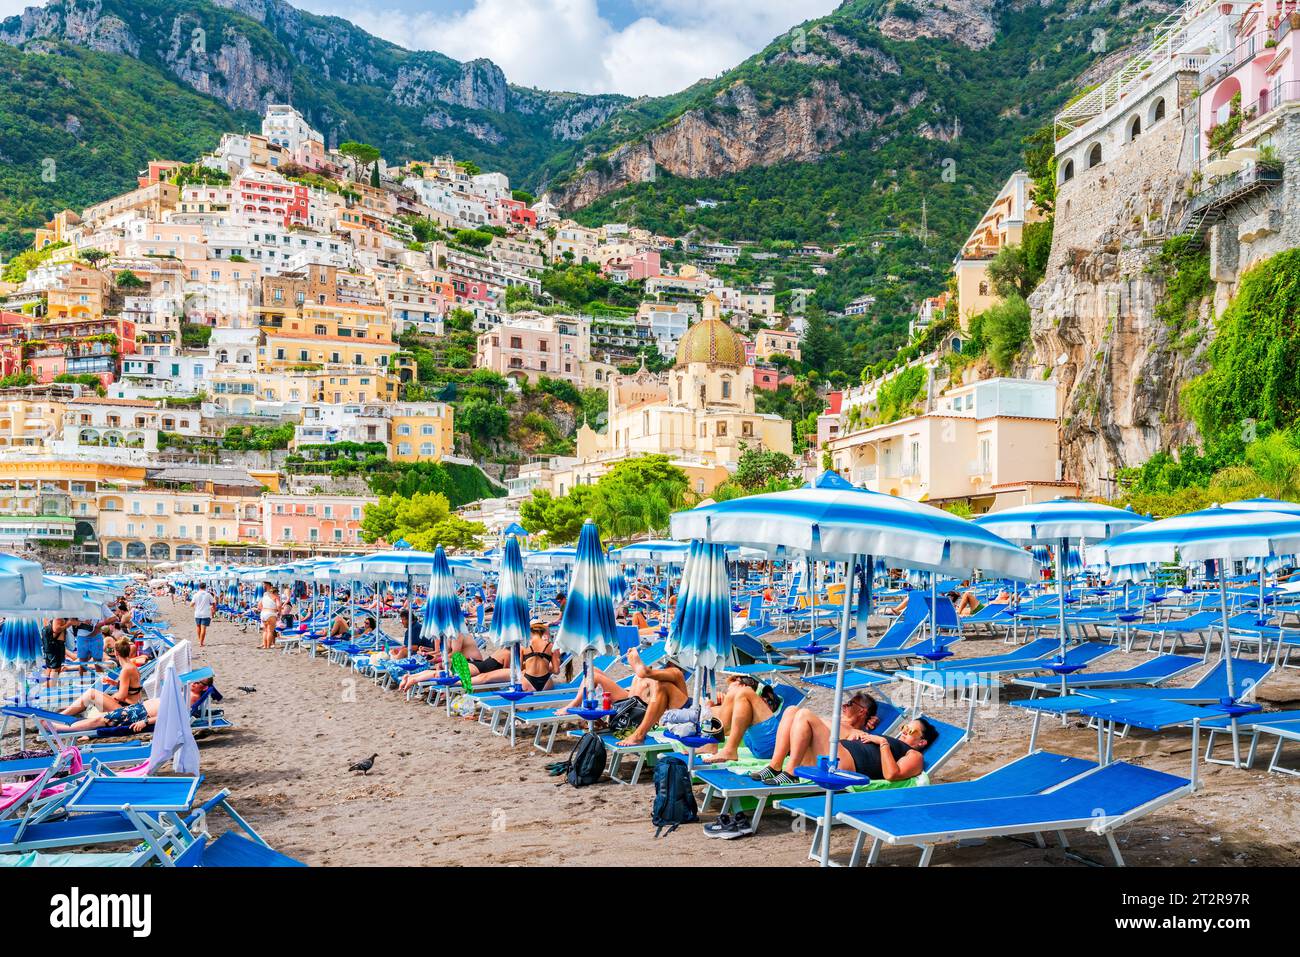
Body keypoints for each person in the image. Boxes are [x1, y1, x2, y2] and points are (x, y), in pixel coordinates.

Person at [750, 693, 881, 784]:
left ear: (862, 711)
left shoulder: (857, 732)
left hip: (824, 762)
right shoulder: (835, 721)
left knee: (804, 713)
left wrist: (863, 732)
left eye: (850, 703)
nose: (844, 706)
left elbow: (860, 748)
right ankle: (775, 767)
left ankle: (791, 773)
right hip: (806, 754)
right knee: (791, 709)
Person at [54, 678, 213, 734]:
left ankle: (56, 728)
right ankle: (59, 724)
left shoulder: (191, 698)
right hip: (139, 710)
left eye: (197, 682)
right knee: (101, 719)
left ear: (204, 688)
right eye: (194, 680)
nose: (193, 683)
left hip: (140, 716)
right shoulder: (187, 693)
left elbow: (173, 714)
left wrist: (146, 722)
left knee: (99, 721)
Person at [701, 676, 784, 764]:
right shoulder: (744, 716)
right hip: (758, 748)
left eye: (770, 702)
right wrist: (713, 704)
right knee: (737, 695)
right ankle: (710, 744)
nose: (764, 700)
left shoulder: (773, 720)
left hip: (773, 744)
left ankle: (729, 750)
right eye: (763, 696)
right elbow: (723, 726)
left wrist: (734, 693)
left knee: (745, 691)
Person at [58, 637, 143, 720]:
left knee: (92, 694)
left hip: (128, 709)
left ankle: (61, 716)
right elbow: (131, 688)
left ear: (116, 653)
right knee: (93, 695)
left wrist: (109, 698)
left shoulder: (126, 670)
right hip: (132, 705)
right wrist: (113, 683)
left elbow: (121, 696)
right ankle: (68, 711)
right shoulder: (131, 666)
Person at [41, 617, 69, 687]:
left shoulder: (47, 614)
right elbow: (56, 629)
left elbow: (47, 627)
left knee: (50, 668)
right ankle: (50, 688)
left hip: (48, 646)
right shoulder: (59, 615)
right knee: (55, 669)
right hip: (56, 646)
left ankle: (45, 687)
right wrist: (69, 623)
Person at [190, 583, 215, 647]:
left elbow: (191, 605)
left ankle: (200, 640)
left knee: (198, 627)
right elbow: (213, 603)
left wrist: (196, 606)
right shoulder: (208, 594)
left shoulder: (196, 595)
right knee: (203, 628)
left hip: (197, 613)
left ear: (199, 587)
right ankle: (201, 642)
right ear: (205, 587)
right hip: (206, 613)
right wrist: (213, 609)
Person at [259, 582, 282, 650]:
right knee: (270, 631)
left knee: (265, 630)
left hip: (263, 613)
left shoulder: (265, 596)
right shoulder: (276, 597)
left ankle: (264, 645)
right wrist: (279, 612)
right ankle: (268, 646)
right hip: (271, 613)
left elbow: (259, 605)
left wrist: (264, 609)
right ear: (275, 592)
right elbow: (279, 605)